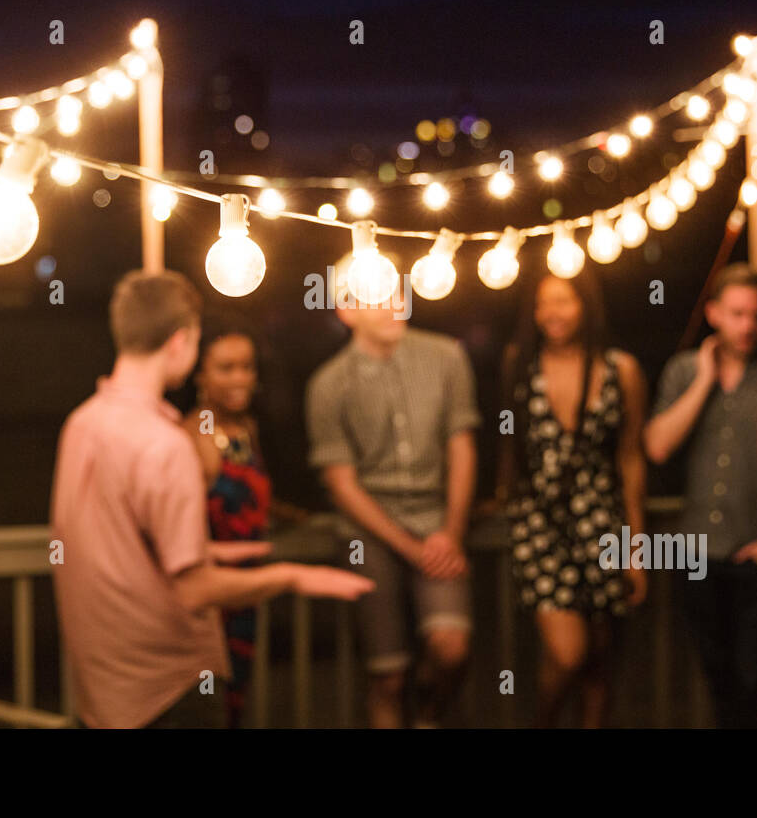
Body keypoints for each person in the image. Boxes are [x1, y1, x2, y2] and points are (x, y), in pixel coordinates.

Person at [50, 270, 373, 729]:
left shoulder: (81, 425)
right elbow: (194, 589)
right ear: (181, 342)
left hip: (103, 694)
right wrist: (293, 576)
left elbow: (119, 543)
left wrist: (211, 550)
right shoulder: (167, 445)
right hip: (168, 690)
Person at [305, 282, 479, 728]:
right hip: (369, 531)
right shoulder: (327, 383)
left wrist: (451, 533)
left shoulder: (446, 357)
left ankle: (428, 714)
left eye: (396, 294)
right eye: (375, 298)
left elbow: (462, 446)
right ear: (346, 311)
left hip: (437, 522)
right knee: (387, 677)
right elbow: (341, 482)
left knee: (451, 647)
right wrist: (409, 548)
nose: (393, 306)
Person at [643, 263, 757, 727]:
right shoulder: (684, 370)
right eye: (737, 313)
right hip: (697, 554)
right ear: (713, 314)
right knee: (719, 681)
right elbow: (657, 446)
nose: (747, 325)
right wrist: (705, 380)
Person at [497, 269, 648, 728]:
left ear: (586, 305)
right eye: (543, 304)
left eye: (563, 301)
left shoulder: (621, 370)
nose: (552, 314)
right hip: (538, 521)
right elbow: (508, 443)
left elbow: (631, 459)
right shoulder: (518, 362)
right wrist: (499, 497)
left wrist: (635, 549)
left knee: (599, 661)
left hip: (601, 520)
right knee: (568, 653)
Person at [181, 316, 307, 727]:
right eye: (226, 367)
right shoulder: (190, 436)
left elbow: (251, 498)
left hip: (246, 593)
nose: (240, 378)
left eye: (247, 366)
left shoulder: (245, 428)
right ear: (200, 373)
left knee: (238, 700)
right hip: (209, 596)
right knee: (211, 703)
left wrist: (299, 517)